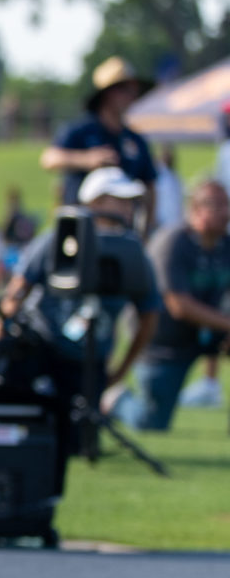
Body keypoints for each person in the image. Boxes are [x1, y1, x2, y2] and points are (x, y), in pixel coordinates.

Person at [0, 166, 162, 457]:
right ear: (94, 202)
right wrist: (1, 330)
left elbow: (149, 314)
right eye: (119, 200)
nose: (127, 208)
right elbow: (18, 290)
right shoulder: (56, 238)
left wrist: (121, 369)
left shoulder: (132, 252)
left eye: (130, 201)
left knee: (75, 444)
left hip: (89, 359)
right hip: (43, 343)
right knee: (13, 414)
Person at [110, 180, 230, 431]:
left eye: (226, 204)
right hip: (163, 343)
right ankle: (115, 399)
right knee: (151, 422)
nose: (226, 212)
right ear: (196, 210)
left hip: (205, 335)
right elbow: (178, 305)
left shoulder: (226, 245)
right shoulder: (173, 242)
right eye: (217, 205)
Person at [41, 56, 158, 233]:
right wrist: (86, 159)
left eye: (133, 89)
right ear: (108, 93)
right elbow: (49, 159)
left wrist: (146, 228)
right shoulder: (82, 131)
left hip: (122, 229)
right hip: (78, 225)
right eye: (124, 89)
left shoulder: (135, 140)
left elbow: (150, 186)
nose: (131, 95)